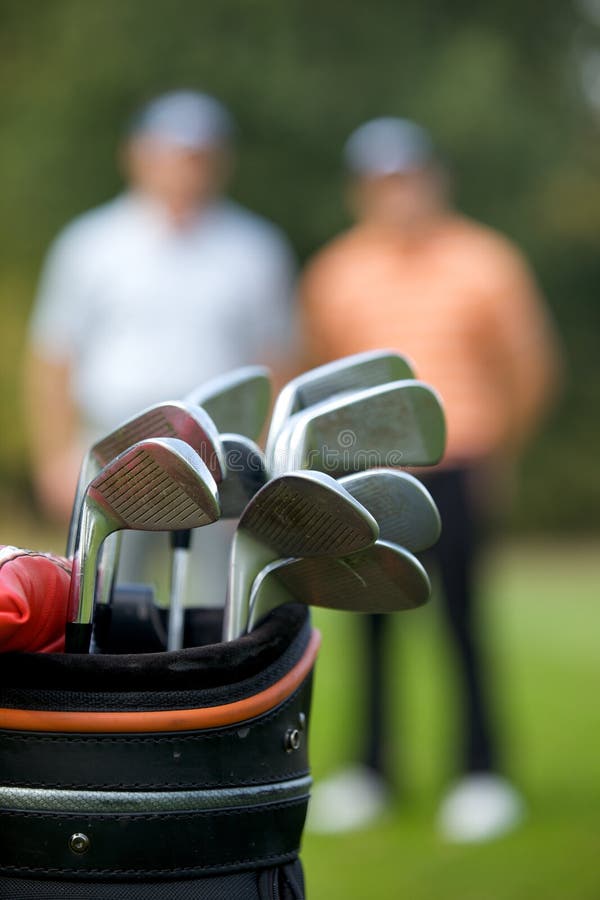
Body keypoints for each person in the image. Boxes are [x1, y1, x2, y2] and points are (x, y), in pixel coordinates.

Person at [299, 117, 562, 841]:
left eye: (410, 179)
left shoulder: (485, 259)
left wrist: (502, 452)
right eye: (384, 184)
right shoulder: (337, 270)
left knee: (464, 624)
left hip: (461, 463)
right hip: (367, 470)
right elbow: (321, 376)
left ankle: (481, 773)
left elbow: (529, 365)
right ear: (363, 192)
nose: (400, 196)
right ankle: (372, 771)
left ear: (434, 180)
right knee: (372, 625)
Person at [25, 89, 296, 603]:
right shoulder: (89, 244)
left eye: (197, 157)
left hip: (221, 450)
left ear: (220, 162)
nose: (183, 169)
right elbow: (52, 359)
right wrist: (55, 456)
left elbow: (276, 360)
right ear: (137, 156)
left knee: (220, 608)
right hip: (113, 442)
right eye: (170, 154)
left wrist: (259, 463)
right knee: (103, 600)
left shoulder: (256, 250)